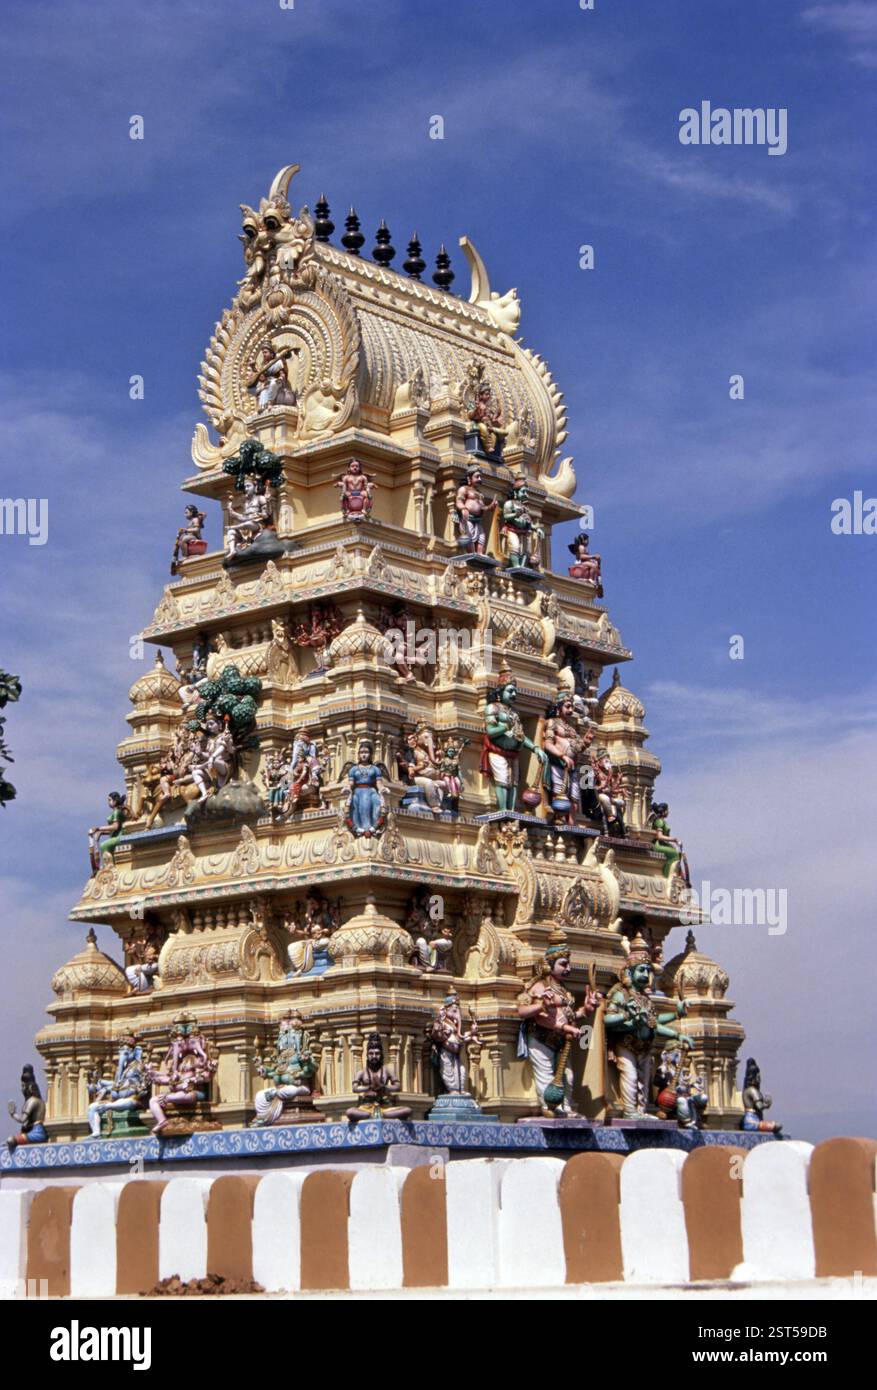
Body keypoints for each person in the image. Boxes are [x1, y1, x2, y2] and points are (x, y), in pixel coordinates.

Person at [517, 937, 598, 1117]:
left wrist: (585, 1010)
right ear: (549, 965)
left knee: (567, 1077)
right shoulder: (540, 987)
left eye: (568, 964)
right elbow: (537, 1017)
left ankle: (566, 1108)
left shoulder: (563, 989)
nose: (568, 968)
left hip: (561, 1041)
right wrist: (563, 1026)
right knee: (545, 1074)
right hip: (541, 1038)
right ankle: (549, 1107)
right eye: (563, 964)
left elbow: (569, 1015)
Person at [347, 1034, 411, 1121]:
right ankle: (372, 1115)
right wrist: (368, 1088)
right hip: (366, 1107)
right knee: (350, 1112)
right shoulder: (362, 1072)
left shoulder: (387, 1070)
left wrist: (384, 1087)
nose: (374, 1056)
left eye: (377, 1053)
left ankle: (380, 1115)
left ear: (381, 1055)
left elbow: (398, 1086)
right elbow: (354, 1089)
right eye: (371, 1053)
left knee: (407, 1110)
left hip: (385, 1106)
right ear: (367, 1055)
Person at [345, 740, 387, 837]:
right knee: (358, 804)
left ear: (370, 754)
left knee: (376, 803)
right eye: (362, 752)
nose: (364, 755)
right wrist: (347, 788)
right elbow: (351, 783)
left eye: (366, 752)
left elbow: (379, 783)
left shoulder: (375, 769)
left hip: (371, 791)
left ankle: (372, 827)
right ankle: (360, 827)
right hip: (358, 792)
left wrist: (382, 789)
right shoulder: (354, 769)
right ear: (358, 754)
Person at [7, 1066, 47, 1149]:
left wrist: (13, 1113)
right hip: (31, 1131)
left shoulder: (32, 1101)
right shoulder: (37, 1101)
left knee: (10, 1140)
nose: (22, 1089)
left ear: (30, 1087)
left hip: (37, 1133)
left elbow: (22, 1120)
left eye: (23, 1086)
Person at [89, 792, 129, 873]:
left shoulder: (116, 812)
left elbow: (115, 827)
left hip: (120, 837)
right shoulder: (115, 812)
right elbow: (113, 830)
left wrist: (98, 829)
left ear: (115, 801)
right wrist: (102, 832)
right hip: (115, 836)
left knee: (104, 845)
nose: (108, 802)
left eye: (109, 800)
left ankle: (107, 868)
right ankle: (108, 866)